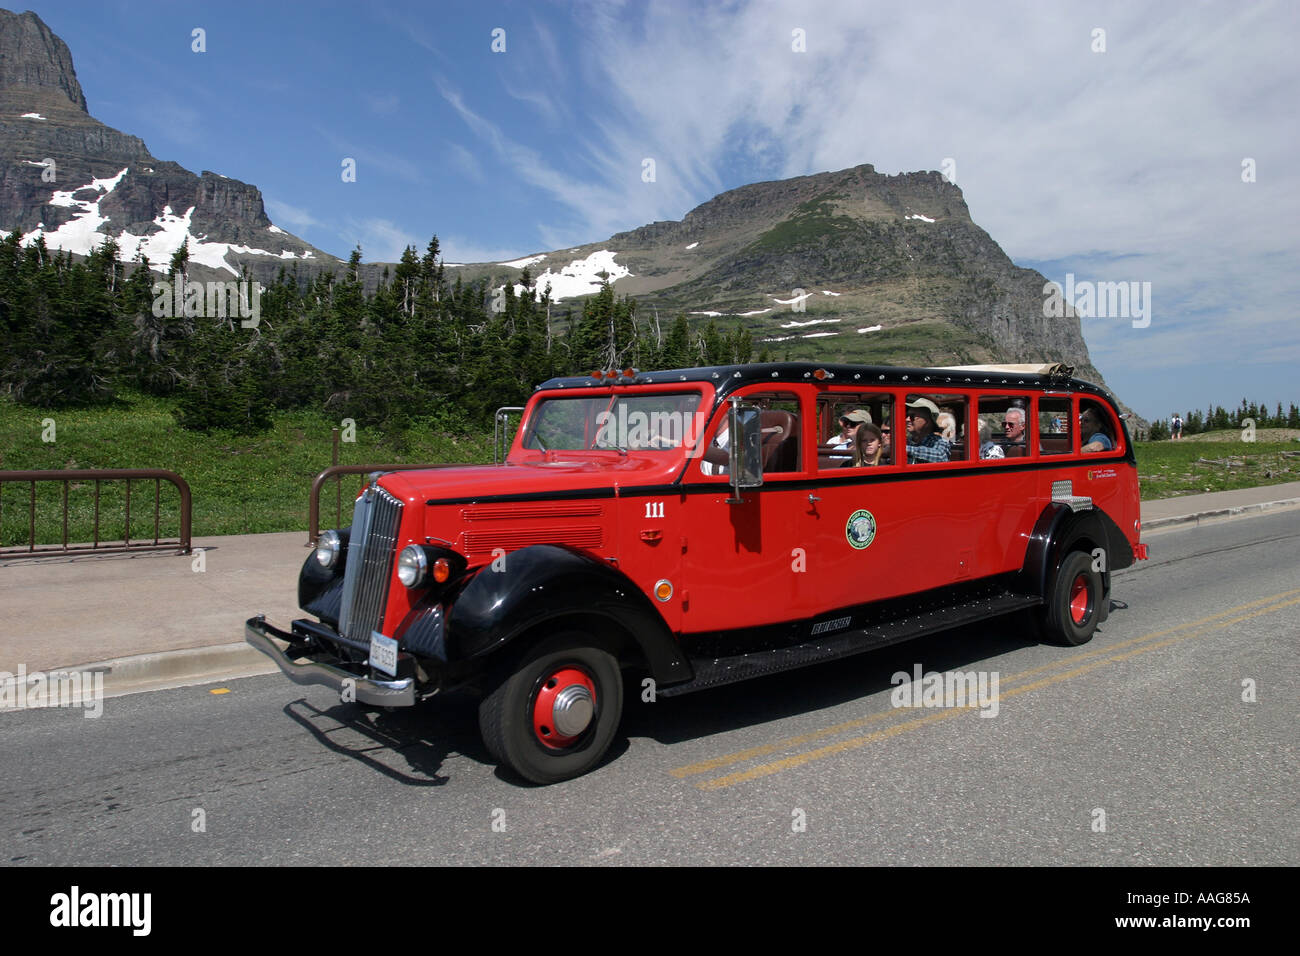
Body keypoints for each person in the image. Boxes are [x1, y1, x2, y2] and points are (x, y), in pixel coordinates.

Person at [905, 398, 951, 463]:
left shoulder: (940, 441)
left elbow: (941, 456)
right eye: (907, 415)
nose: (907, 419)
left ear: (928, 421)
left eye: (912, 416)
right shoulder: (906, 441)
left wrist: (904, 450)